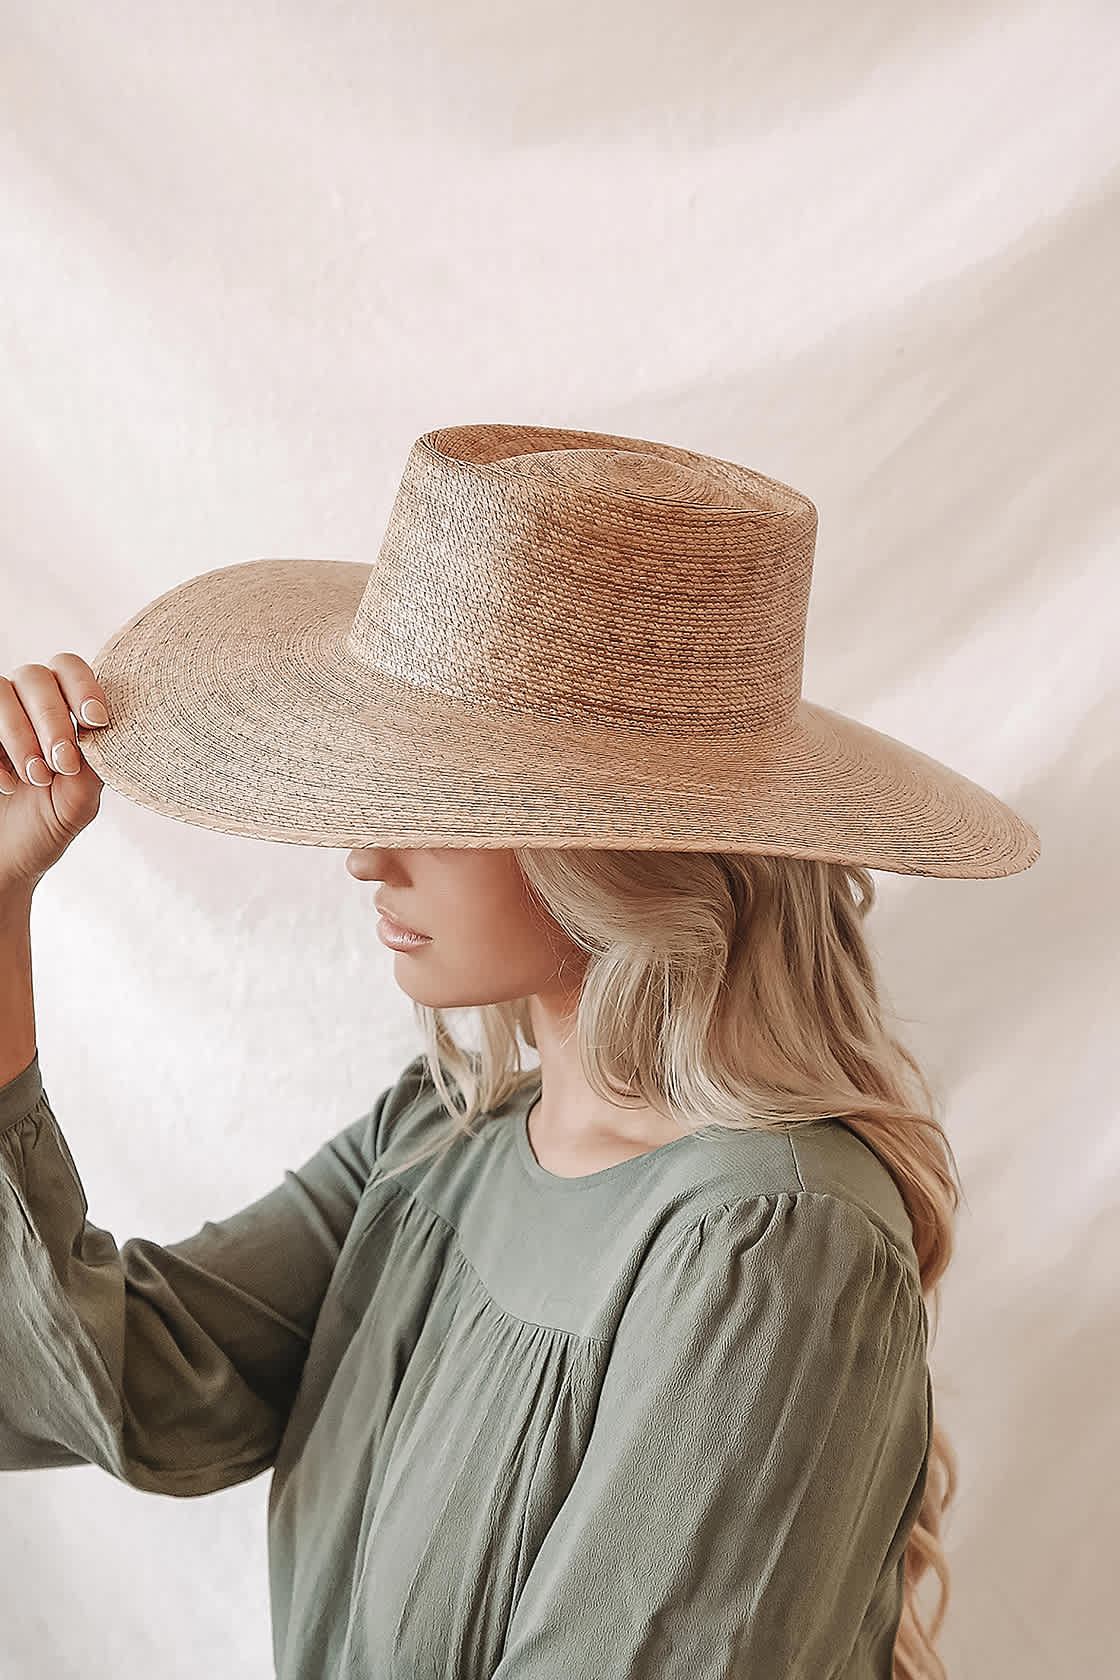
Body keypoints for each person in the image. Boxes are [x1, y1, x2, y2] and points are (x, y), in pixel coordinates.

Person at [0, 423, 1040, 1678]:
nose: (367, 854)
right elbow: (111, 1380)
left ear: (616, 843)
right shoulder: (440, 1138)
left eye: (440, 798)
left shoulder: (775, 1242)